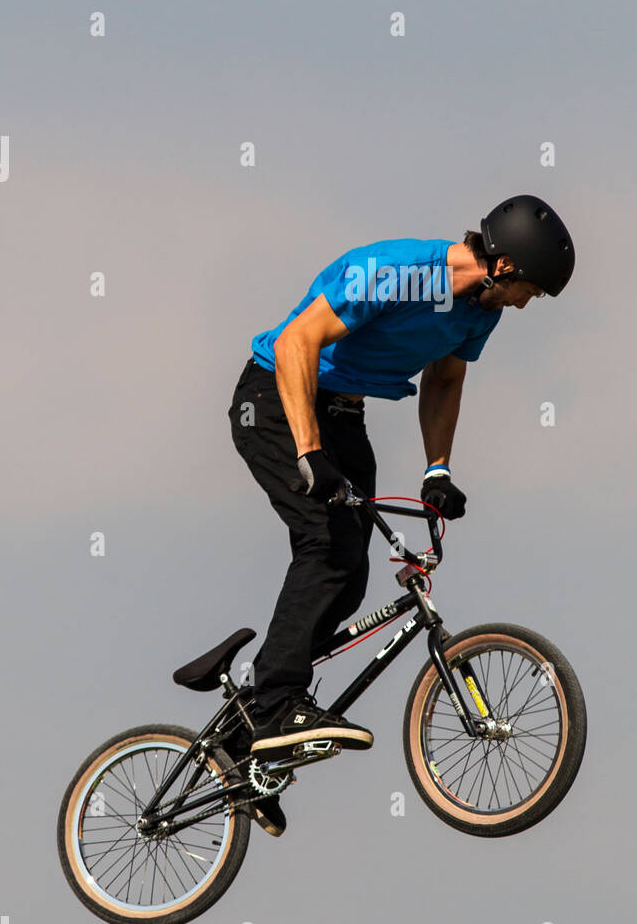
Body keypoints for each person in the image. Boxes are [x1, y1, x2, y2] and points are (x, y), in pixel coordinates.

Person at [228, 195, 574, 836]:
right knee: (326, 548)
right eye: (529, 288)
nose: (528, 303)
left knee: (350, 566)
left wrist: (436, 469)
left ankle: (243, 740)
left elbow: (444, 380)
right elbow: (300, 340)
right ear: (501, 265)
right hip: (277, 399)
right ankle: (276, 705)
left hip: (342, 414)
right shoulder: (395, 272)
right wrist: (309, 452)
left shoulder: (479, 313)